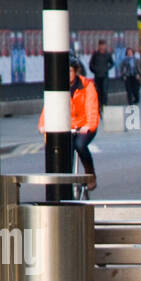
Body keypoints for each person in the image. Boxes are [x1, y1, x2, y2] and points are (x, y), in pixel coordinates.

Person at [38, 57, 100, 192]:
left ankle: (90, 174)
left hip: (84, 125)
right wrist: (43, 124)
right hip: (67, 126)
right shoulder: (58, 87)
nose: (67, 74)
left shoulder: (87, 85)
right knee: (65, 151)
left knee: (80, 145)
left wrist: (90, 125)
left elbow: (92, 107)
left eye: (70, 70)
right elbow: (49, 106)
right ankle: (66, 182)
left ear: (76, 71)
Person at [88, 40, 112, 113]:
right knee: (98, 91)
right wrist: (95, 70)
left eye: (103, 45)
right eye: (101, 45)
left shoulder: (107, 54)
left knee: (104, 91)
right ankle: (99, 105)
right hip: (97, 75)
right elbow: (91, 64)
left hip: (105, 75)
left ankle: (105, 104)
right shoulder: (95, 54)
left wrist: (107, 69)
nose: (102, 47)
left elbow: (112, 63)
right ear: (99, 46)